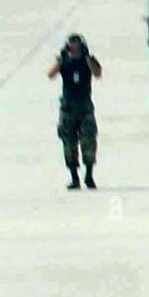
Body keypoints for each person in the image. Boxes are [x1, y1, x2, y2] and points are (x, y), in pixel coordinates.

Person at [47, 34, 103, 190]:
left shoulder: (88, 60)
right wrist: (61, 60)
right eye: (72, 45)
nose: (74, 48)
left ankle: (89, 176)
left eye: (77, 45)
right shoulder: (64, 60)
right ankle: (74, 177)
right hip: (68, 107)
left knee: (89, 142)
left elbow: (98, 73)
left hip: (85, 107)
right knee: (69, 143)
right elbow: (50, 75)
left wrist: (87, 59)